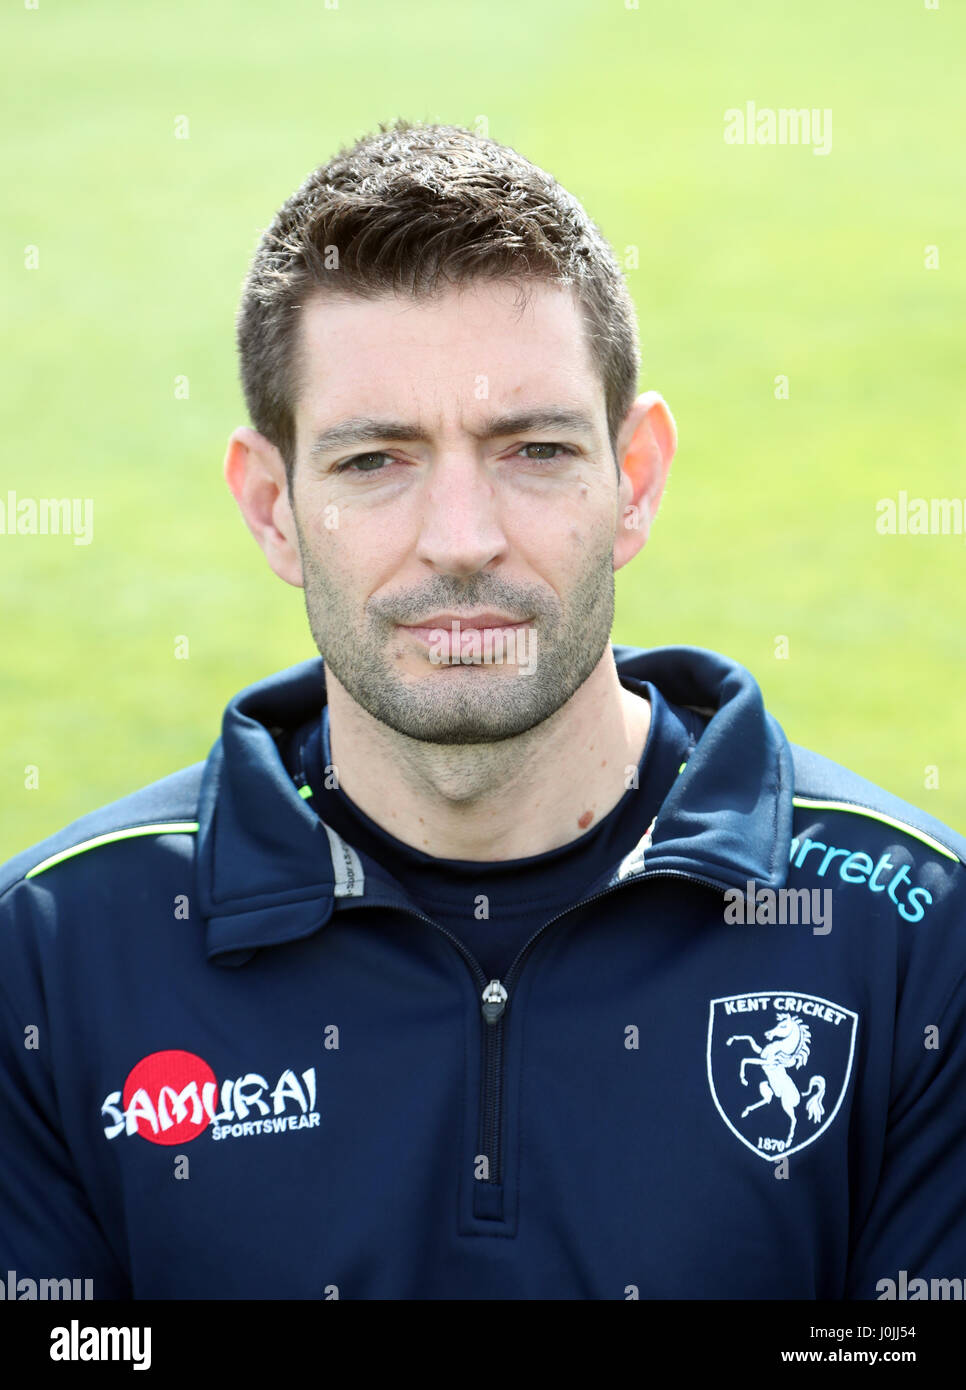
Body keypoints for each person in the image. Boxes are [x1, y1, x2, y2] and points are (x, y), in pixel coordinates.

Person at [1, 119, 964, 1302]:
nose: (463, 542)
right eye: (374, 462)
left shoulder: (920, 939)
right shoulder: (51, 957)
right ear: (270, 507)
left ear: (636, 480)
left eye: (535, 450)